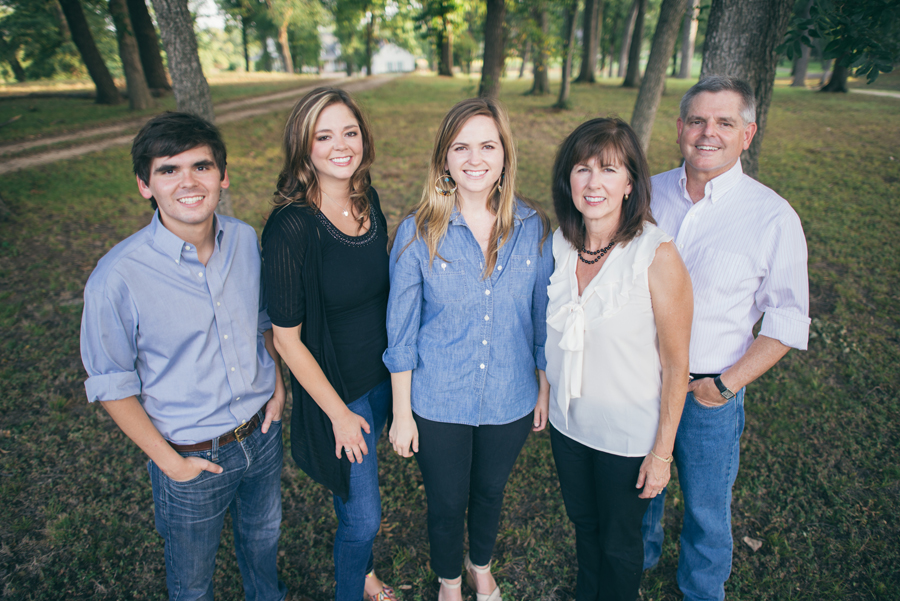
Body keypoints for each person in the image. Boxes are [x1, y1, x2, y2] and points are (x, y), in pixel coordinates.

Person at [80, 112, 290, 601]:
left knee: (263, 539)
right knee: (193, 579)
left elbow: (261, 319)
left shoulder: (244, 240)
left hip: (261, 434)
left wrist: (277, 385)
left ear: (223, 175)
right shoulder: (116, 278)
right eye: (168, 170)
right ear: (145, 185)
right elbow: (111, 382)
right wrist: (171, 464)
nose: (188, 182)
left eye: (201, 166)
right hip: (190, 453)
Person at [641, 76, 810, 601]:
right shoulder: (645, 194)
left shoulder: (772, 217)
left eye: (724, 123)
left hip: (707, 391)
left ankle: (701, 589)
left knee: (707, 506)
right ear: (680, 128)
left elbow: (788, 319)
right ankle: (637, 561)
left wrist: (724, 386)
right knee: (639, 487)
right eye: (697, 120)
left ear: (748, 134)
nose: (707, 132)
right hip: (640, 379)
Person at [383, 97, 552, 601]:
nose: (475, 159)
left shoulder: (533, 227)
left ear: (505, 154)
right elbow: (401, 332)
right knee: (446, 501)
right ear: (444, 158)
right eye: (461, 147)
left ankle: (481, 567)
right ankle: (450, 583)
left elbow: (542, 319)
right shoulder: (418, 232)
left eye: (487, 146)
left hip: (510, 395)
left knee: (490, 491)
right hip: (438, 399)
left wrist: (543, 389)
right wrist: (401, 414)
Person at [544, 118, 693, 601]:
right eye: (582, 169)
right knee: (584, 527)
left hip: (626, 436)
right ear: (568, 179)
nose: (594, 183)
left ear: (630, 183)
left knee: (619, 542)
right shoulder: (561, 244)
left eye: (608, 169)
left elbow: (677, 365)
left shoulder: (656, 255)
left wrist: (662, 453)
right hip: (568, 425)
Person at [260, 87, 396, 601]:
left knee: (363, 495)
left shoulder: (368, 200)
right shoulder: (291, 227)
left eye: (350, 132)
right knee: (363, 517)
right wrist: (338, 413)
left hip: (384, 377)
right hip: (340, 391)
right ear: (304, 147)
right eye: (324, 136)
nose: (341, 146)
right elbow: (286, 340)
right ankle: (352, 588)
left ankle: (363, 572)